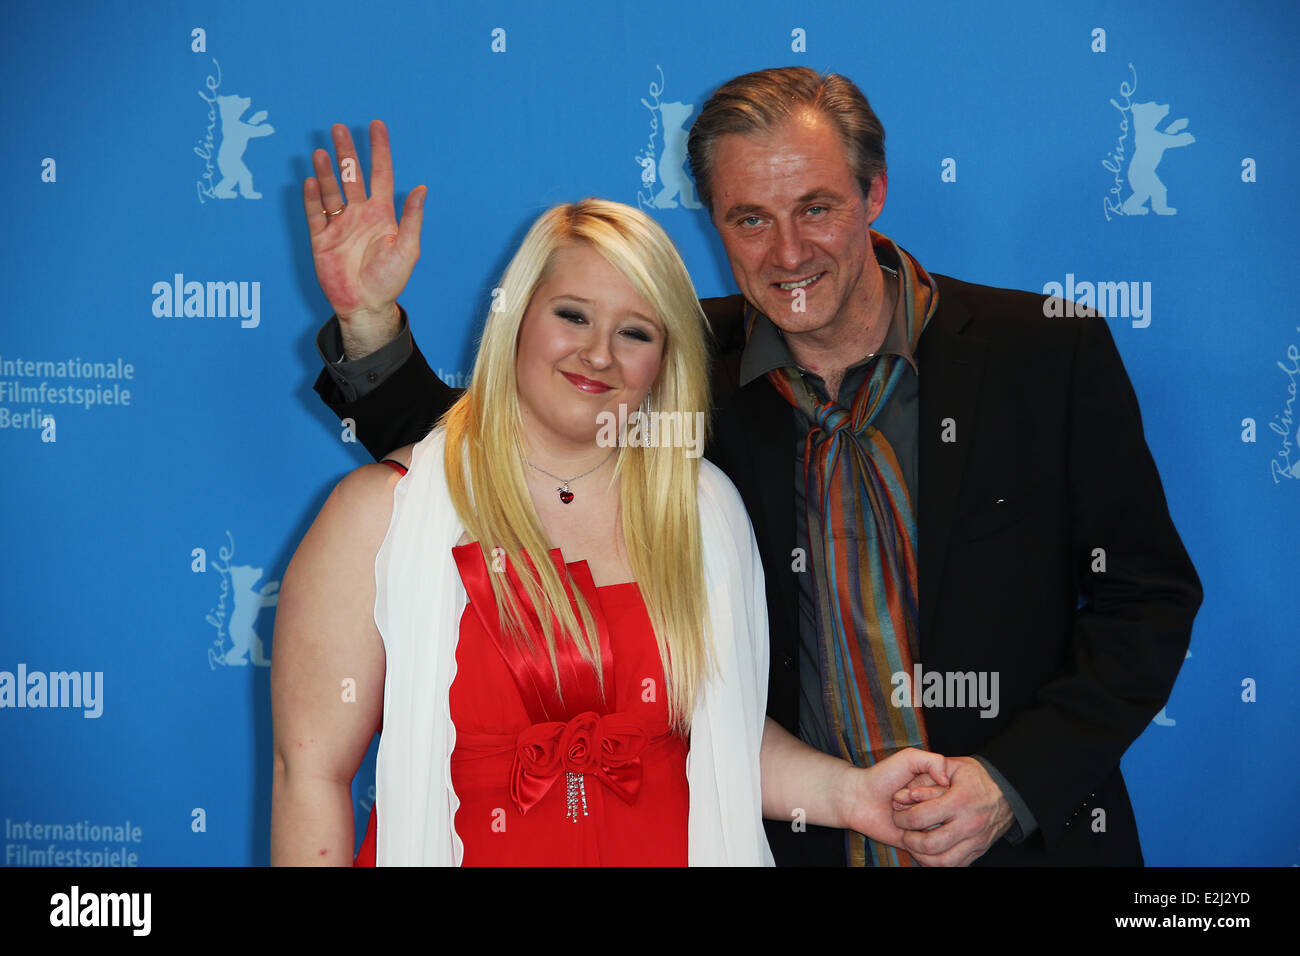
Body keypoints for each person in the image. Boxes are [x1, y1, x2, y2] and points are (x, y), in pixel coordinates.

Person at [308, 68, 1202, 867]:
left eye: (815, 207)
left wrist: (1009, 782)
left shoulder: (1043, 353)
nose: (786, 252)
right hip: (782, 838)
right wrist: (371, 328)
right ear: (715, 223)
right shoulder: (675, 360)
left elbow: (1145, 599)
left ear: (874, 192)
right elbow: (504, 463)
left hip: (1021, 841)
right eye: (749, 218)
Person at [271, 189, 953, 865]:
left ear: (664, 363)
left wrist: (851, 795)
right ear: (516, 319)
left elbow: (723, 741)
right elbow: (310, 777)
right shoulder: (380, 513)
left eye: (635, 332)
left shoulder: (703, 512)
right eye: (573, 315)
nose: (598, 354)